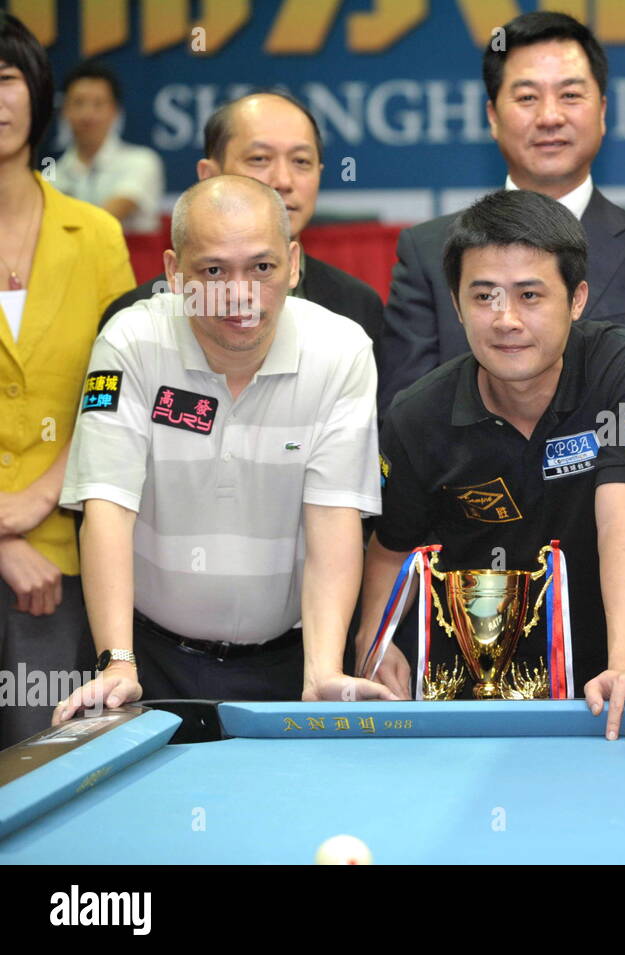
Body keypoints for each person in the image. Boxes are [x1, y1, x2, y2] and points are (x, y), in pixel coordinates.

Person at [52, 175, 394, 723]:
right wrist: (118, 661)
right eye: (213, 271)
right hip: (147, 663)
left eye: (262, 268)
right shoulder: (129, 342)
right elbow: (108, 507)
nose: (240, 294)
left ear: (294, 262)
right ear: (172, 273)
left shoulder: (341, 350)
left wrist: (324, 670)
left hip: (289, 662)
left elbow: (334, 517)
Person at [356, 189, 625, 741]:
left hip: (609, 679)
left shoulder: (624, 366)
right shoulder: (418, 415)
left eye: (530, 295)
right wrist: (374, 642)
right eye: (484, 297)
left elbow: (622, 530)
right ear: (456, 306)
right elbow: (391, 551)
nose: (506, 320)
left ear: (577, 299)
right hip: (473, 692)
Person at [378, 10, 625, 414]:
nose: (550, 117)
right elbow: (405, 415)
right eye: (527, 97)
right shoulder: (427, 251)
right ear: (493, 117)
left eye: (570, 95)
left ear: (602, 112)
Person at [0, 14, 136, 746]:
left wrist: (38, 497)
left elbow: (113, 390)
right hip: (16, 547)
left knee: (45, 770)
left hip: (63, 563)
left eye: (5, 79)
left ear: (36, 92)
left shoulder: (97, 235)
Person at [100, 90, 383, 344]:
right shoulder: (133, 320)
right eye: (260, 159)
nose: (283, 180)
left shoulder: (357, 306)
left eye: (301, 162)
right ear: (208, 176)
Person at [51, 59, 164, 234]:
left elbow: (108, 217)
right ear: (64, 110)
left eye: (98, 104)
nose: (87, 114)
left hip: (131, 259)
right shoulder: (53, 174)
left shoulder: (142, 161)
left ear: (115, 111)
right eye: (78, 103)